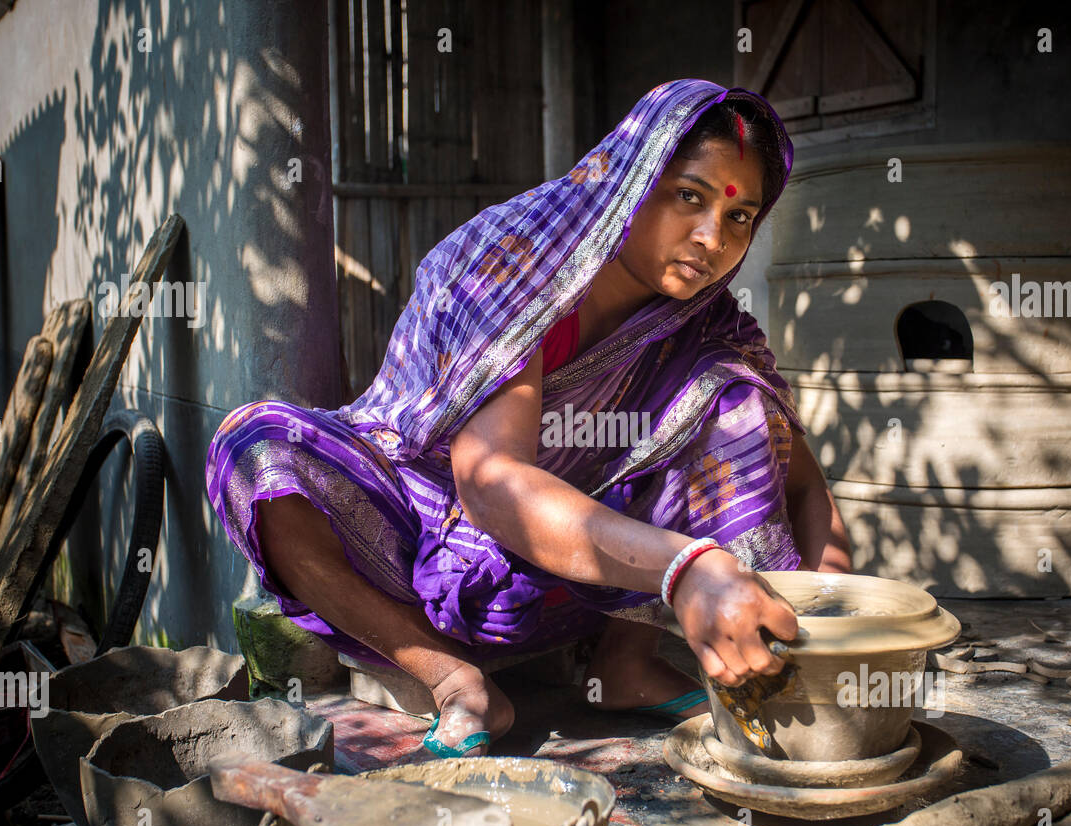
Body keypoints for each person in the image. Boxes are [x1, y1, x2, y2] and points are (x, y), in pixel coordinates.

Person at [206, 78, 851, 759]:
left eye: (741, 216)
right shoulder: (514, 264)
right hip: (417, 527)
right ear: (633, 179)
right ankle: (452, 679)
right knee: (254, 448)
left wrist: (833, 620)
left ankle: (625, 666)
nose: (712, 237)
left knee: (734, 394)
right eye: (689, 196)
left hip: (571, 580)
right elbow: (490, 482)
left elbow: (804, 484)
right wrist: (688, 569)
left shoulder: (706, 324)